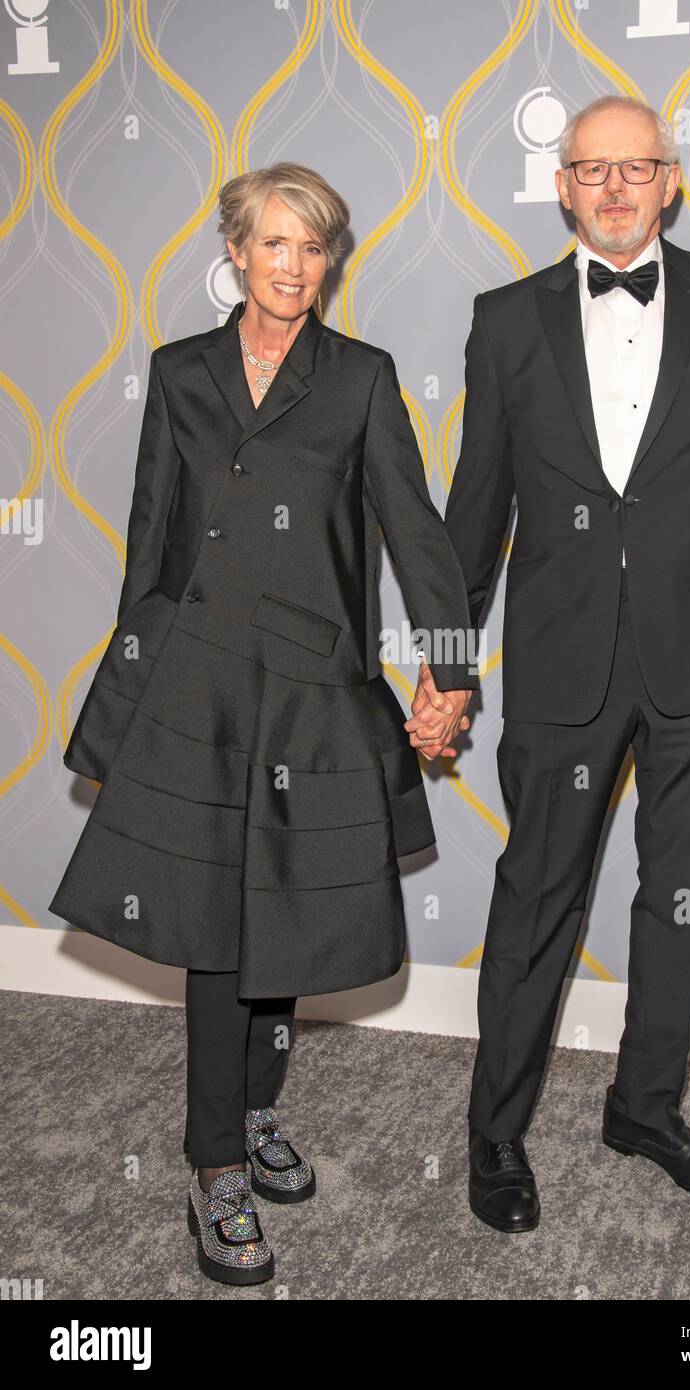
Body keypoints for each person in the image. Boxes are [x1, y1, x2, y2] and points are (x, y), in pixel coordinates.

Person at [50, 162, 476, 1283]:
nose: (294, 266)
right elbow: (151, 553)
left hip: (311, 689)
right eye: (273, 244)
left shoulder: (362, 380)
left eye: (314, 246)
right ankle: (211, 1164)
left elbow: (415, 534)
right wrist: (128, 697)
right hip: (197, 687)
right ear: (234, 250)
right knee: (212, 931)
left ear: (330, 260)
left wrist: (448, 670)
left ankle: (248, 1108)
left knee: (285, 924)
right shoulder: (180, 374)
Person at [434, 95, 690, 1231]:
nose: (615, 188)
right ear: (562, 187)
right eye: (591, 170)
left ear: (671, 180)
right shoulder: (503, 320)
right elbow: (471, 513)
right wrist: (447, 664)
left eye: (636, 168)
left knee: (677, 901)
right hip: (556, 655)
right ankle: (493, 1136)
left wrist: (665, 561)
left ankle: (645, 1110)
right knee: (537, 896)